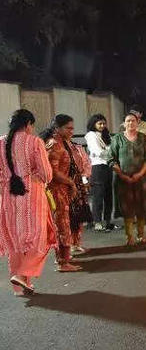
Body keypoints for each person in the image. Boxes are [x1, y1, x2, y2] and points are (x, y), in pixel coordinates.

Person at [0, 110, 56, 295]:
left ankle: (19, 288)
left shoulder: (1, 142)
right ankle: (23, 275)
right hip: (32, 195)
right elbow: (47, 174)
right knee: (38, 238)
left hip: (9, 197)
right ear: (28, 124)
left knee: (16, 243)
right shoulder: (35, 142)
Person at [42, 114, 89, 272]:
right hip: (56, 191)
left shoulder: (62, 143)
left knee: (64, 224)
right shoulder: (54, 145)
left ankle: (64, 259)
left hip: (63, 190)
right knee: (61, 225)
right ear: (57, 128)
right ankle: (63, 262)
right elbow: (53, 172)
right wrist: (70, 182)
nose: (71, 131)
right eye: (68, 128)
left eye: (72, 128)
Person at [108, 113, 146, 245]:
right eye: (128, 121)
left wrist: (140, 174)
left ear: (137, 122)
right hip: (123, 179)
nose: (131, 123)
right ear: (124, 123)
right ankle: (130, 237)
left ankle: (141, 234)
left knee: (141, 206)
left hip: (142, 178)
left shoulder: (143, 138)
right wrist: (122, 175)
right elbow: (111, 159)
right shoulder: (117, 139)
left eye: (133, 121)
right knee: (127, 207)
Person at [85, 114, 115, 232]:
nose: (102, 126)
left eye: (104, 123)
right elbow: (97, 151)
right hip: (97, 168)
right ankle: (97, 222)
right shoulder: (91, 135)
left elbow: (112, 149)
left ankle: (108, 221)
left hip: (108, 166)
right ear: (94, 124)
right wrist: (111, 156)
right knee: (98, 195)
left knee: (108, 195)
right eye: (99, 123)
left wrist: (110, 155)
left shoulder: (106, 135)